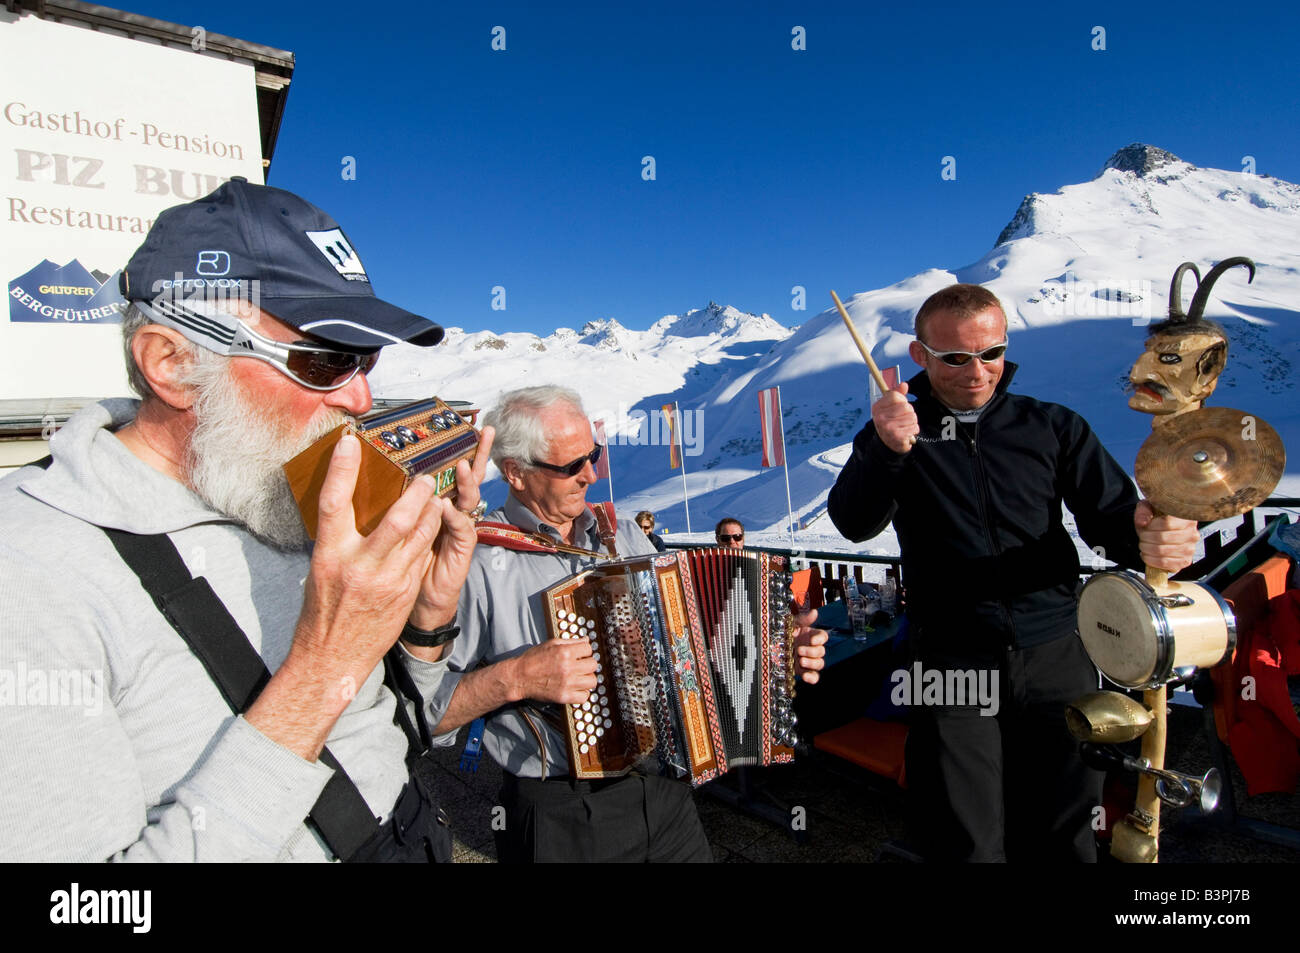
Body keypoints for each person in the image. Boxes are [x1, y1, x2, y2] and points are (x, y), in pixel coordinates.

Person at [0, 178, 492, 862]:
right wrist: (319, 669)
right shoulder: (29, 573)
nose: (361, 397)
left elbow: (386, 732)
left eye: (366, 359)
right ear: (172, 364)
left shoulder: (271, 488)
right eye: (325, 360)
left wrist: (426, 624)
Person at [827, 283, 1199, 862]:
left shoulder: (1051, 426)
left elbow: (1111, 522)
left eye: (991, 353)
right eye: (955, 357)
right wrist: (885, 451)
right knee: (966, 836)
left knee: (1066, 826)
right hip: (950, 657)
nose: (977, 372)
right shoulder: (897, 431)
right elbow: (854, 523)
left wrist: (1155, 538)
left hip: (1059, 651)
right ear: (920, 354)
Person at [426, 385, 827, 862]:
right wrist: (514, 677)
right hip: (563, 814)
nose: (591, 475)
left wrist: (774, 649)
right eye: (572, 465)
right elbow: (426, 714)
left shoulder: (625, 534)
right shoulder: (475, 563)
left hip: (667, 795)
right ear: (515, 472)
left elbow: (690, 641)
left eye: (592, 455)